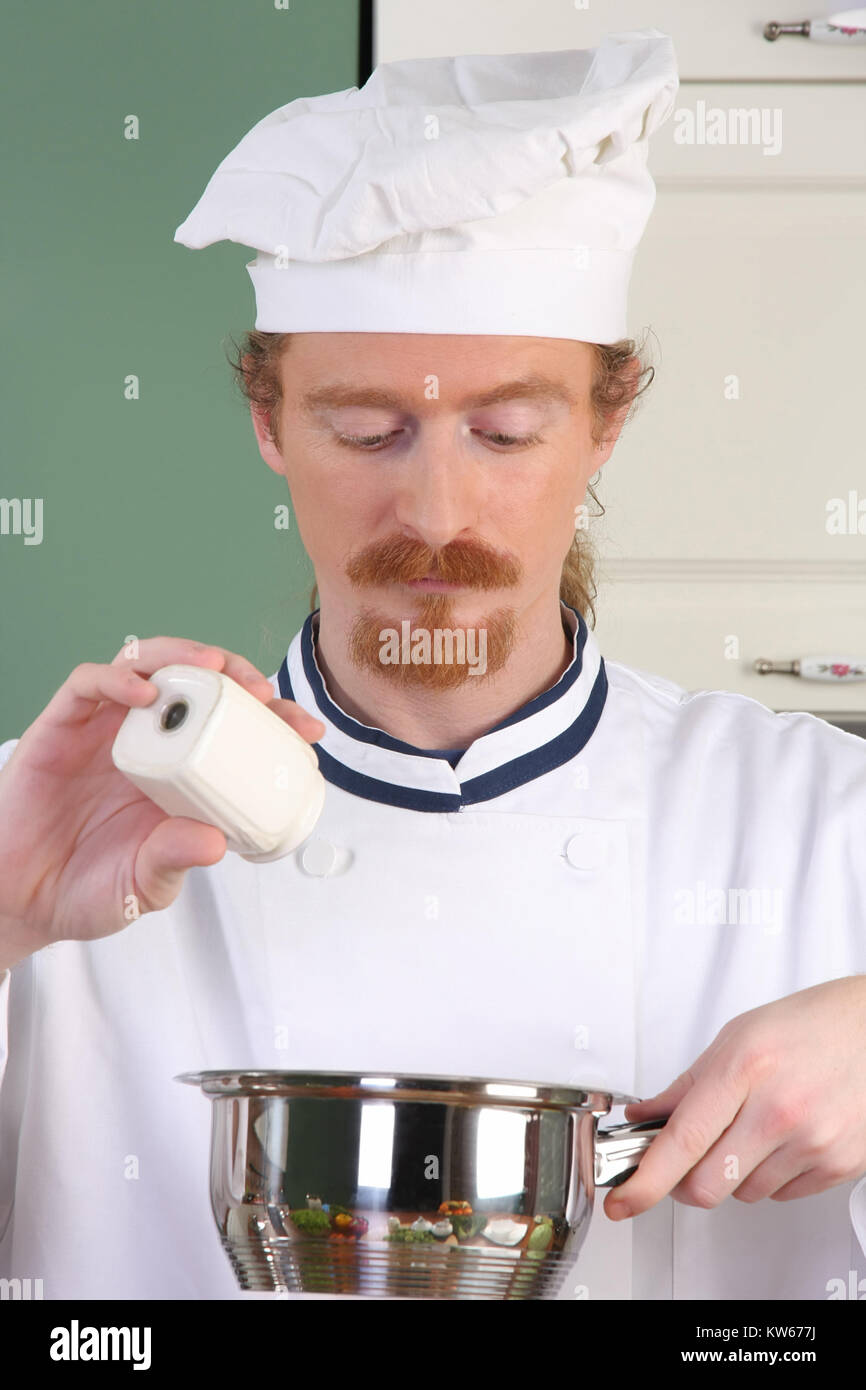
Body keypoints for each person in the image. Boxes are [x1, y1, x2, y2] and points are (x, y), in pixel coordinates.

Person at [2, 31, 865, 1303]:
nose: (437, 510)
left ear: (605, 424)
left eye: (504, 430)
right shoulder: (67, 831)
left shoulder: (812, 824)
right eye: (368, 430)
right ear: (267, 423)